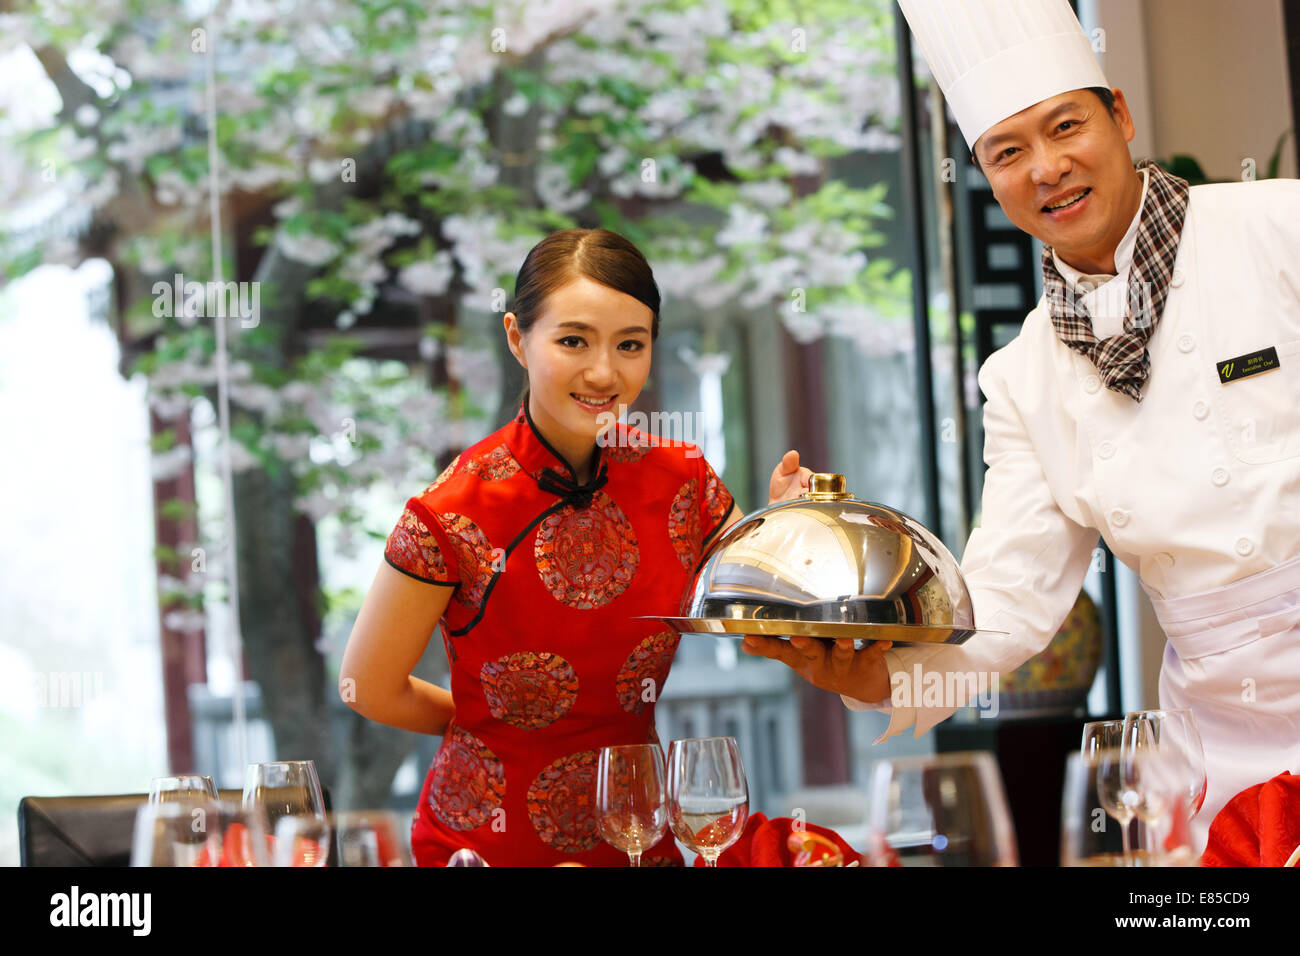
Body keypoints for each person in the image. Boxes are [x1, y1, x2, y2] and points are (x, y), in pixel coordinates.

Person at [742, 0, 1300, 852]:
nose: (1047, 169)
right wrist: (874, 666)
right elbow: (1008, 601)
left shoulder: (1278, 228)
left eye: (1065, 126)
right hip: (1213, 769)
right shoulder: (1023, 375)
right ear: (984, 175)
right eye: (1007, 152)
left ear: (1119, 113)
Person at [340, 228, 814, 865]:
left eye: (630, 345)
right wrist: (493, 725)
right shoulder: (450, 511)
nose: (604, 372)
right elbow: (366, 686)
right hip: (482, 846)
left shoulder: (686, 482)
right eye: (572, 341)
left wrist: (783, 524)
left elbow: (753, 608)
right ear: (517, 338)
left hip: (638, 837)